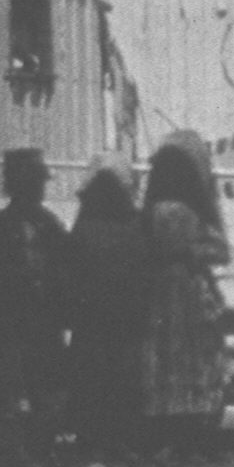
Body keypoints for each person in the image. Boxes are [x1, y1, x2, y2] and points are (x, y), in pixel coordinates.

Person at [139, 131, 231, 450]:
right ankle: (190, 428)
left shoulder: (150, 211)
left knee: (161, 355)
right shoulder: (190, 213)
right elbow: (222, 250)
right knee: (191, 355)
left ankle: (160, 424)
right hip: (188, 294)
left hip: (155, 292)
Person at [0, 148, 71, 446]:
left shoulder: (51, 225)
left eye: (39, 181)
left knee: (48, 405)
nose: (39, 188)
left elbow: (65, 272)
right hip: (12, 329)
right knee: (6, 406)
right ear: (15, 184)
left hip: (45, 328)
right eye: (32, 181)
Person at [65, 157, 150, 450]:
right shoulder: (138, 226)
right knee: (123, 381)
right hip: (126, 319)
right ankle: (122, 441)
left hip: (94, 320)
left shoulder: (86, 226)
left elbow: (70, 272)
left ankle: (93, 440)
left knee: (93, 380)